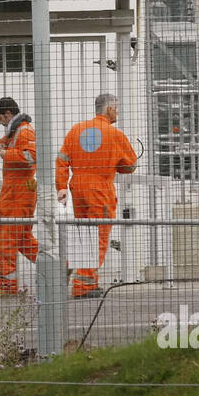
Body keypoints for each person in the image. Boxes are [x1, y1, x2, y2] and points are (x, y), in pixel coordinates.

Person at [56, 93, 138, 298]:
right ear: (109, 109)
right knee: (99, 236)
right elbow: (129, 166)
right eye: (116, 108)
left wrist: (62, 186)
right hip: (100, 189)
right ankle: (84, 286)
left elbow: (62, 161)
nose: (117, 111)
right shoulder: (115, 135)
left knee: (83, 235)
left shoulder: (76, 130)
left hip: (78, 187)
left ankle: (67, 277)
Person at [0, 97, 38, 297]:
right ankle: (60, 267)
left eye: (0, 118)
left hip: (18, 192)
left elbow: (30, 157)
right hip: (21, 190)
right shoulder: (16, 131)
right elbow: (2, 145)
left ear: (8, 114)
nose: (0, 122)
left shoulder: (24, 132)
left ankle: (7, 285)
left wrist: (4, 154)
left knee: (5, 237)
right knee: (23, 239)